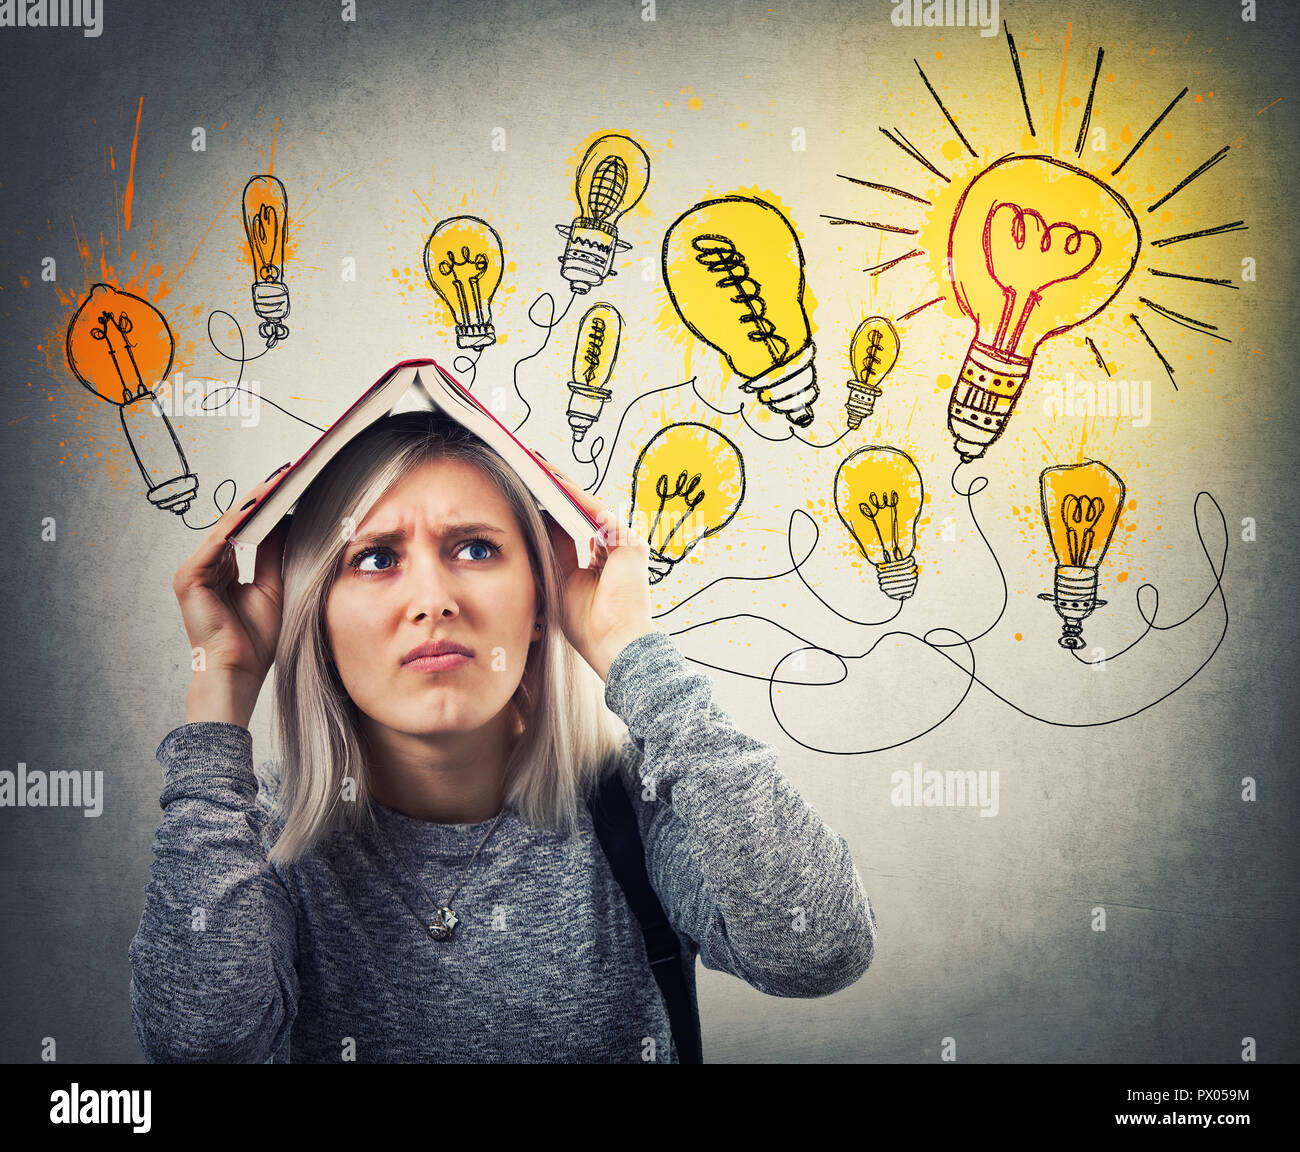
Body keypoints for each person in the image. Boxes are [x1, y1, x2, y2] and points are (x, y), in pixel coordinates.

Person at [128, 409, 879, 1063]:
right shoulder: (247, 839)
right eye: (377, 557)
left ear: (542, 600)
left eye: (476, 548)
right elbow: (202, 1043)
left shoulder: (634, 811)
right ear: (315, 616)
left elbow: (819, 949)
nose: (433, 600)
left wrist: (634, 650)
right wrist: (219, 693)